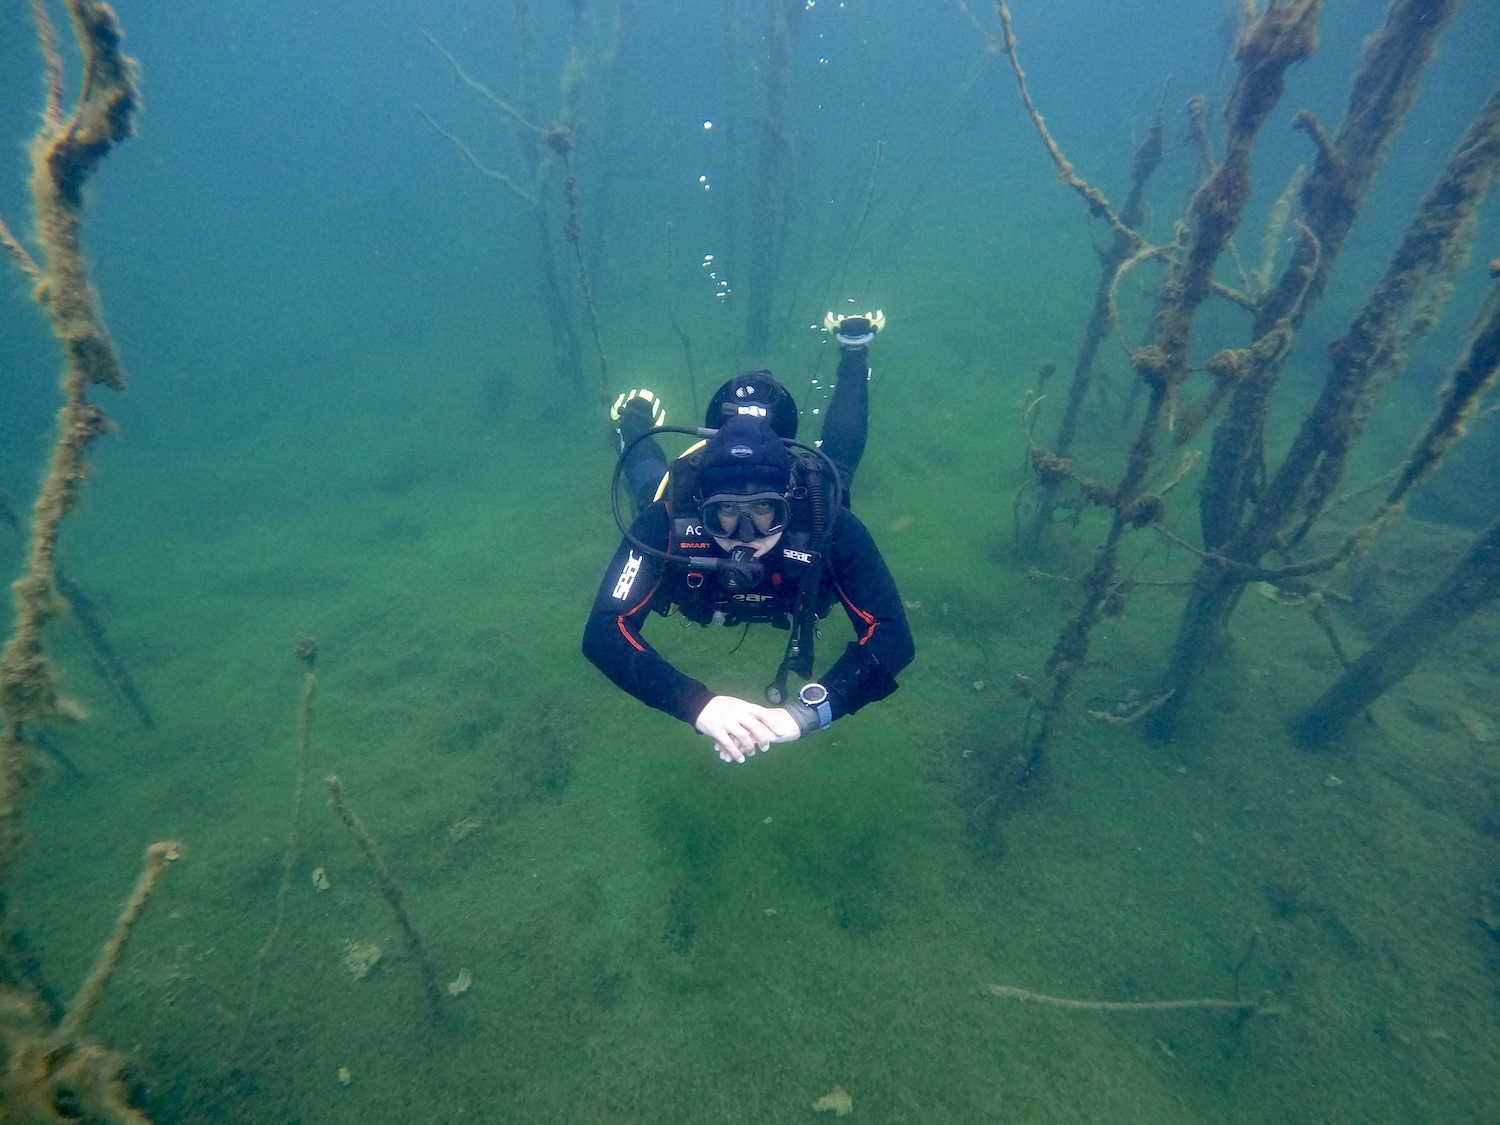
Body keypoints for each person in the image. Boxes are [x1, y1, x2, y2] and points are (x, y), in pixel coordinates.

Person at [582, 312, 914, 764]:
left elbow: (894, 637)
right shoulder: (668, 524)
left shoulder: (822, 521)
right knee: (650, 490)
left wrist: (806, 713)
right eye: (724, 514)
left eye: (764, 510)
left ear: (789, 502)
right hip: (682, 520)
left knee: (838, 466)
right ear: (702, 507)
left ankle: (854, 349)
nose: (744, 534)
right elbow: (604, 630)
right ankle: (634, 424)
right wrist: (698, 704)